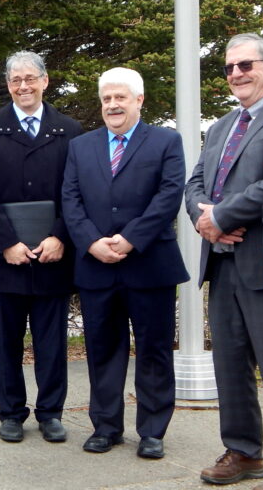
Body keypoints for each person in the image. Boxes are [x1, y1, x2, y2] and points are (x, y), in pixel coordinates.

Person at [185, 34, 263, 490]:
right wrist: (203, 218)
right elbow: (195, 182)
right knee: (230, 365)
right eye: (230, 67)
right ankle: (243, 452)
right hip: (222, 264)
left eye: (245, 65)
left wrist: (223, 215)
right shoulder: (219, 127)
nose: (236, 74)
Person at [61, 67, 187, 460]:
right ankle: (106, 426)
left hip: (150, 265)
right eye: (107, 100)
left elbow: (169, 195)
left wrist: (131, 238)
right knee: (102, 351)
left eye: (120, 98)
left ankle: (152, 431)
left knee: (153, 350)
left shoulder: (166, 141)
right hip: (97, 266)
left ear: (139, 101)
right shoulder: (82, 146)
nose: (112, 105)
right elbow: (70, 199)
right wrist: (91, 242)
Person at [0, 50, 82, 444]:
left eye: (30, 78)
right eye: (16, 80)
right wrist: (6, 244)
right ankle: (11, 413)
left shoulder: (69, 130)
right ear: (8, 85)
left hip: (53, 256)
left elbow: (76, 192)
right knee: (7, 344)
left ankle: (51, 412)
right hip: (6, 260)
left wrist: (59, 236)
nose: (23, 87)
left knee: (52, 343)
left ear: (45, 81)